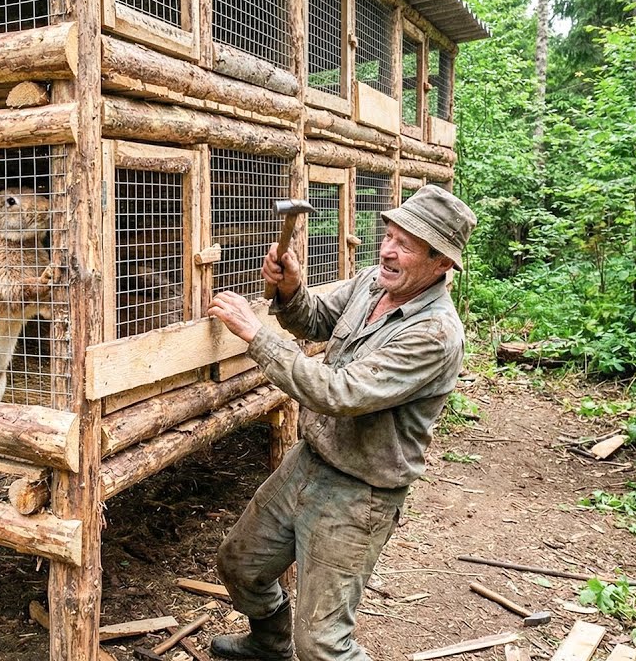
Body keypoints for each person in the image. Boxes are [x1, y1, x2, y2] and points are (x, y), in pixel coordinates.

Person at [204, 185, 477, 661]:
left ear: (441, 263)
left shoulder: (434, 334)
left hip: (360, 492)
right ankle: (269, 645)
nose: (388, 250)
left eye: (406, 244)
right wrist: (291, 289)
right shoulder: (374, 282)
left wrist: (255, 333)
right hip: (309, 462)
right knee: (241, 566)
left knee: (323, 646)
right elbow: (314, 320)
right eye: (389, 235)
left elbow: (339, 393)